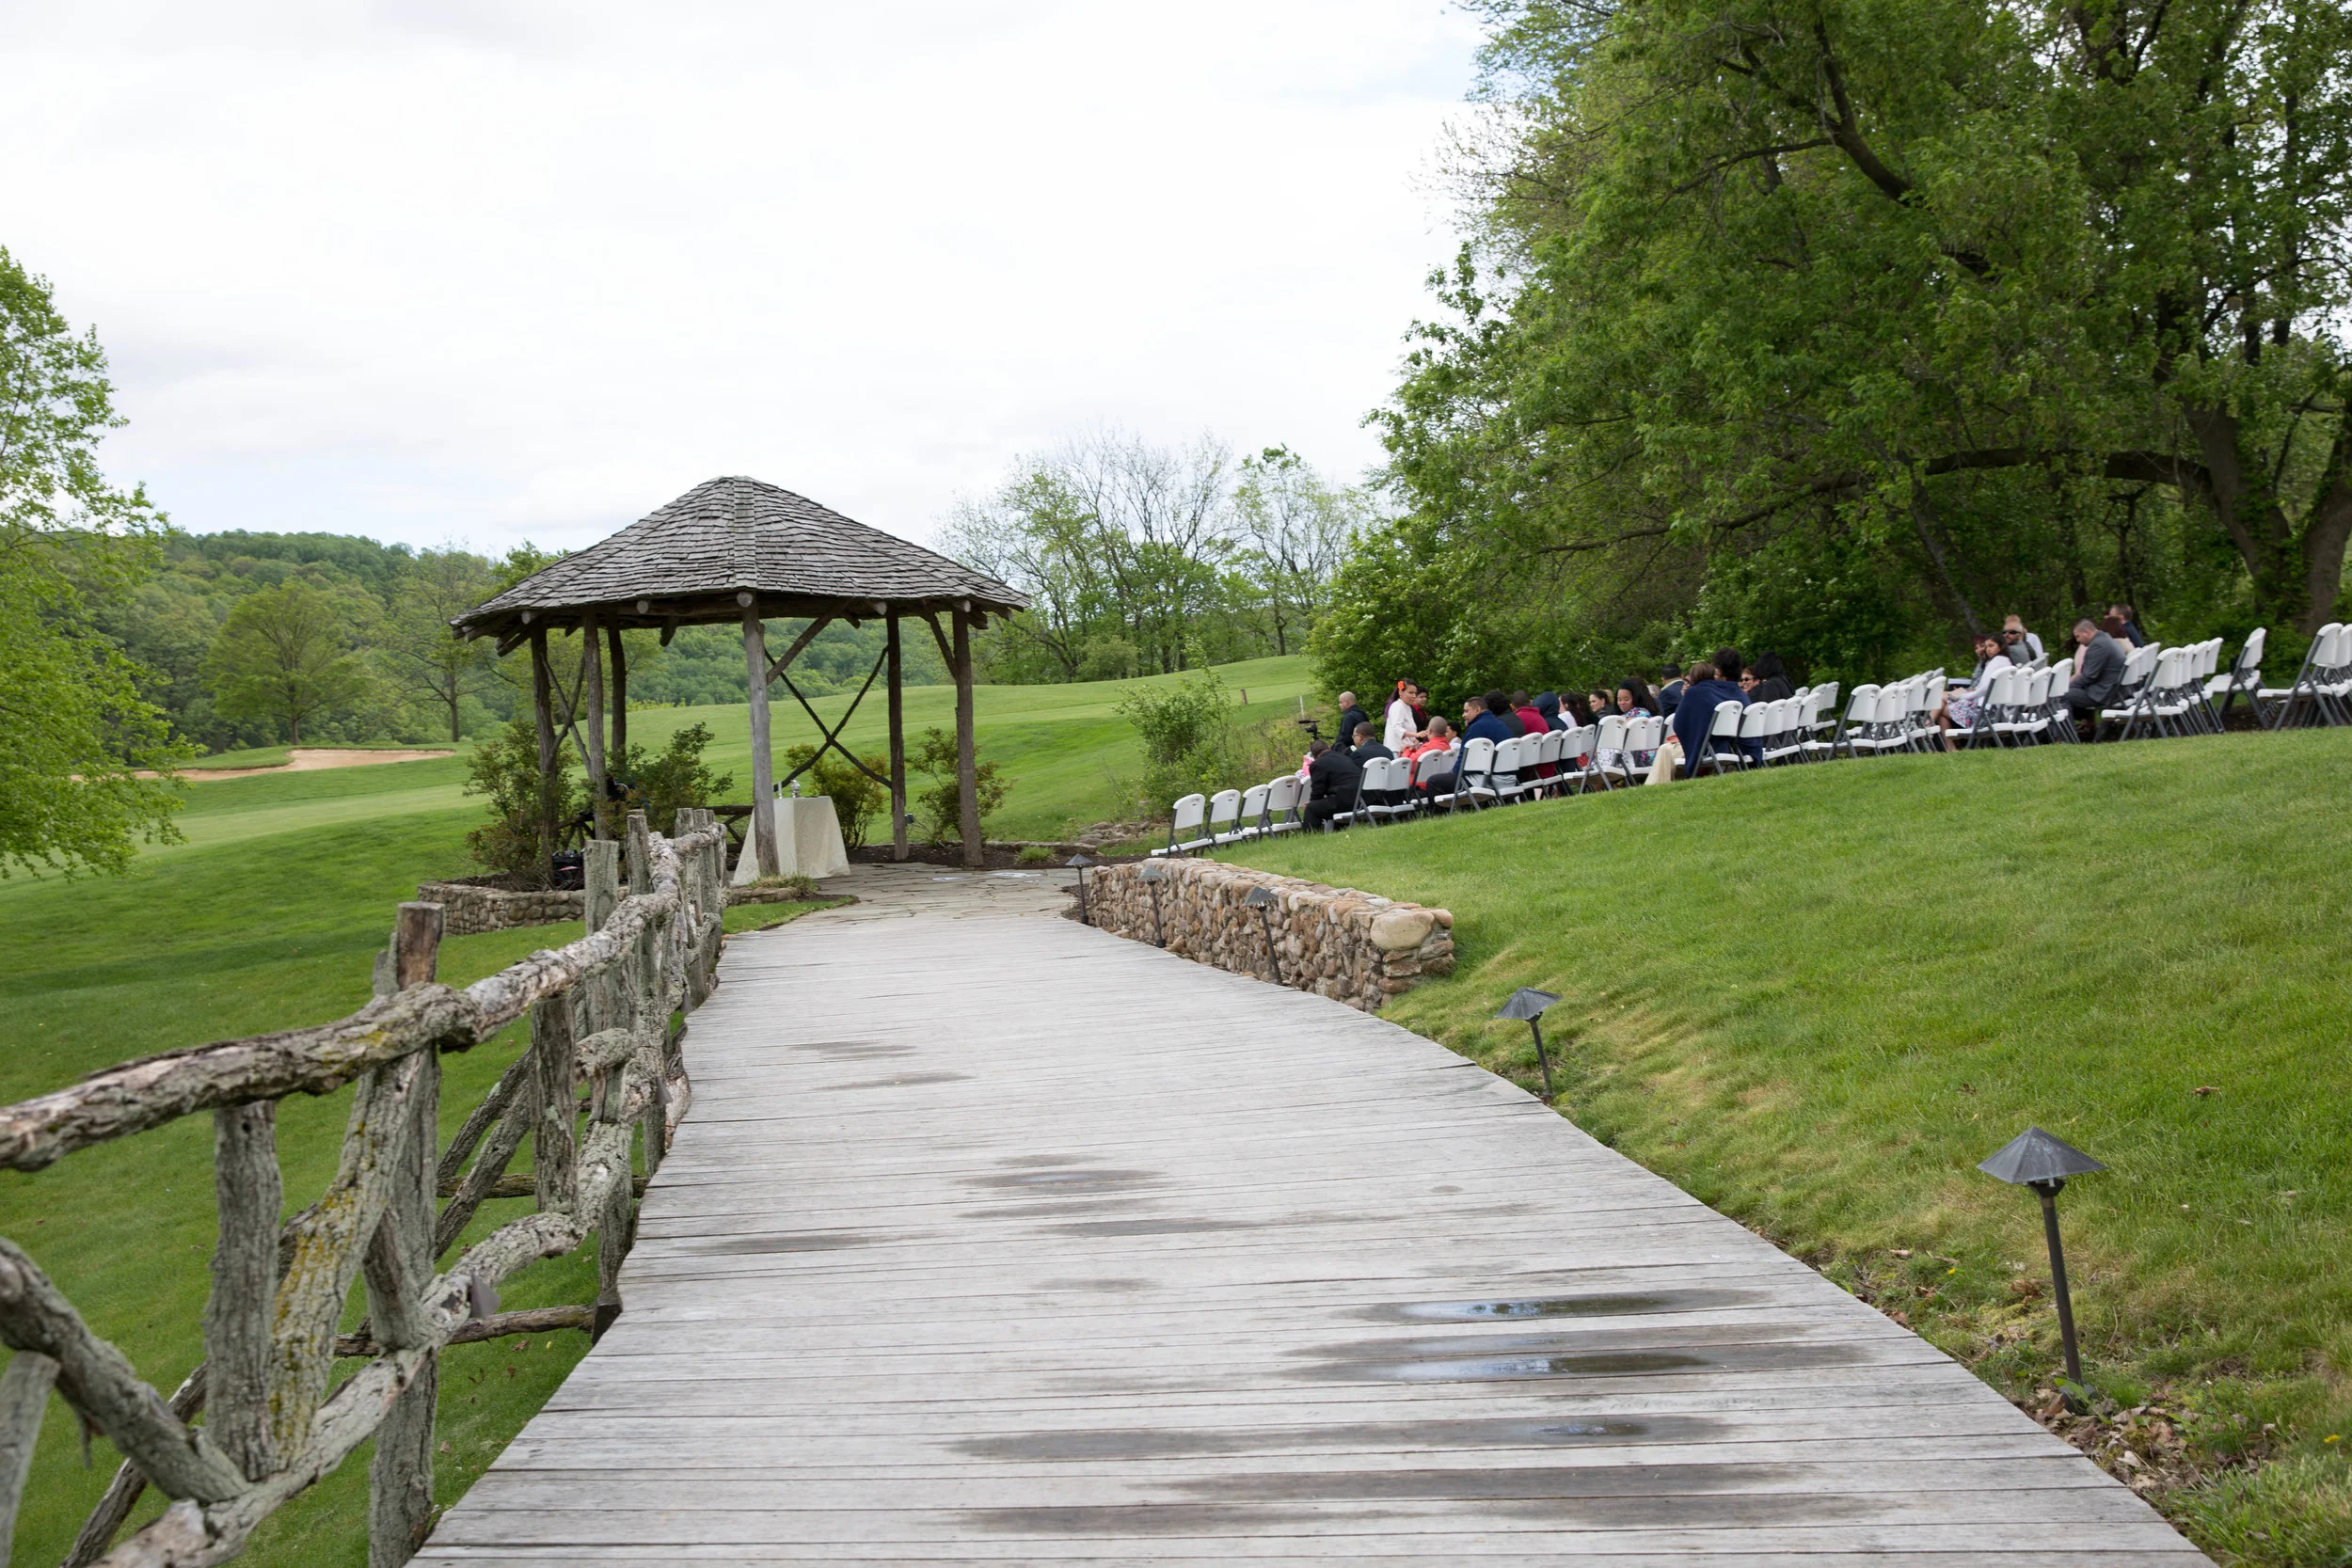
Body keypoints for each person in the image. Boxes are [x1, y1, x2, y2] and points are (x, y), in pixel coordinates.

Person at [1934, 632, 2012, 748]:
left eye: (1991, 646)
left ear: (2001, 646)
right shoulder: (2004, 661)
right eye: (1986, 646)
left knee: (1939, 698)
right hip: (1991, 709)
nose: (1987, 650)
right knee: (1940, 702)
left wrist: (1962, 697)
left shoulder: (1995, 662)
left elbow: (1983, 689)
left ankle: (1926, 729)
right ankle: (1946, 744)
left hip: (1985, 715)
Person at [1668, 660, 1744, 777]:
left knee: (1665, 749)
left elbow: (1679, 724)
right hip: (1726, 744)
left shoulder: (1693, 692)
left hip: (1705, 746)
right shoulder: (1721, 692)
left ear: (1693, 677)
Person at [2065, 618, 2127, 736]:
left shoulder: (2098, 645)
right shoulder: (2106, 639)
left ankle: (2068, 735)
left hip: (2103, 693)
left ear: (2086, 632)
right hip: (2113, 689)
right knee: (2070, 692)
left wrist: (2065, 687)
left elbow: (2088, 677)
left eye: (2078, 636)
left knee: (2061, 695)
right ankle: (2088, 728)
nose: (2077, 640)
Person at [1301, 738, 1362, 831]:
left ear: (1314, 756)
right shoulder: (1345, 757)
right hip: (1361, 799)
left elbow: (1318, 791)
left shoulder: (1318, 764)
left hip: (1345, 802)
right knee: (1331, 801)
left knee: (1311, 808)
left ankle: (1311, 836)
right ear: (1329, 748)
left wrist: (1312, 803)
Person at [1382, 681, 1421, 753]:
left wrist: (1414, 740)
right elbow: (1396, 728)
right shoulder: (1397, 706)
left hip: (1405, 751)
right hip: (1396, 751)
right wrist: (1416, 734)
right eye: (1410, 693)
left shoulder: (1407, 707)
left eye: (1415, 693)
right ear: (1400, 692)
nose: (1414, 696)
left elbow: (1407, 730)